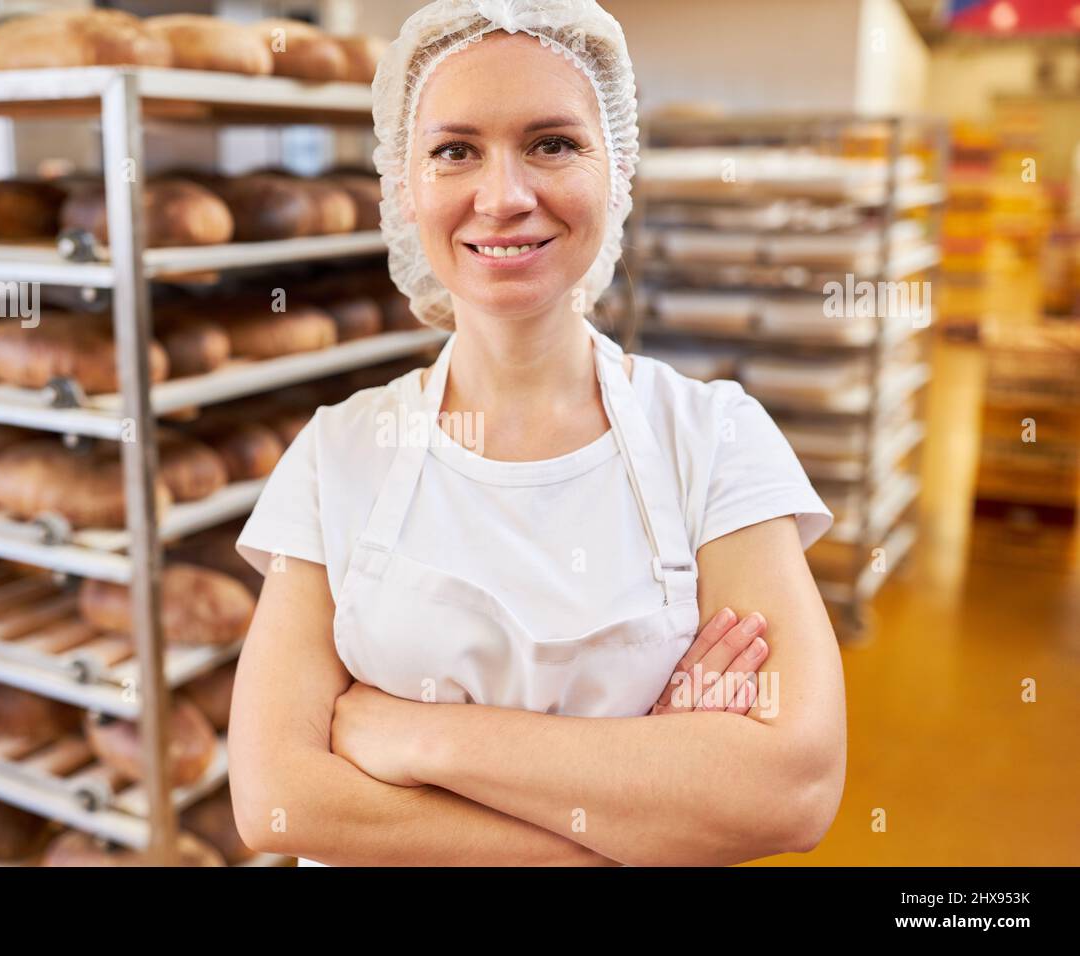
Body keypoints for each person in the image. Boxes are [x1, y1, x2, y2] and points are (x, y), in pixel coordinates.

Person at [228, 0, 846, 866]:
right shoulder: (337, 455)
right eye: (455, 151)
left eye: (552, 143)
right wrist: (642, 810)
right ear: (406, 187)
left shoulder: (716, 442)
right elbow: (280, 803)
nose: (505, 196)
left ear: (616, 167)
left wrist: (415, 738)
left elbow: (791, 788)